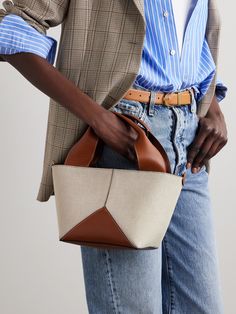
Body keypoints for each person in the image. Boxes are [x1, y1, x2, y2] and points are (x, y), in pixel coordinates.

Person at [0, 0, 228, 313]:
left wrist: (211, 104)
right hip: (125, 141)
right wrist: (99, 119)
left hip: (190, 143)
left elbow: (184, 43)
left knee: (201, 307)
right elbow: (12, 26)